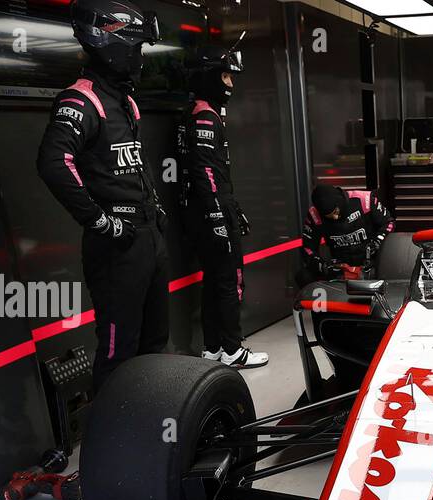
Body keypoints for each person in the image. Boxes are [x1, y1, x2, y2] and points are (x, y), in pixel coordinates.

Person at [36, 0, 166, 392]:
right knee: (118, 352)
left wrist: (154, 208)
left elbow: (132, 166)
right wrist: (101, 222)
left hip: (146, 237)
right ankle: (113, 446)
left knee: (154, 343)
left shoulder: (125, 101)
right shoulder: (80, 99)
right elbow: (54, 164)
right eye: (137, 48)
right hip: (116, 247)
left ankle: (153, 432)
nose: (140, 59)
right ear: (113, 42)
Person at [178, 43, 267, 370]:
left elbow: (209, 173)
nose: (230, 83)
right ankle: (232, 349)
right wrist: (220, 215)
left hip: (204, 213)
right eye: (226, 75)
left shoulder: (196, 112)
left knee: (214, 280)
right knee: (230, 281)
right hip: (210, 213)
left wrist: (232, 208)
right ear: (209, 76)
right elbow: (205, 173)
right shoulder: (205, 117)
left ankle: (213, 348)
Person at [296, 184, 394, 288]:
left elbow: (389, 223)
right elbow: (308, 248)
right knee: (303, 276)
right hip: (340, 270)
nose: (335, 217)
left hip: (372, 264)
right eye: (329, 215)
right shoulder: (314, 215)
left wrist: (377, 242)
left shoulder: (364, 200)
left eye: (335, 212)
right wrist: (323, 267)